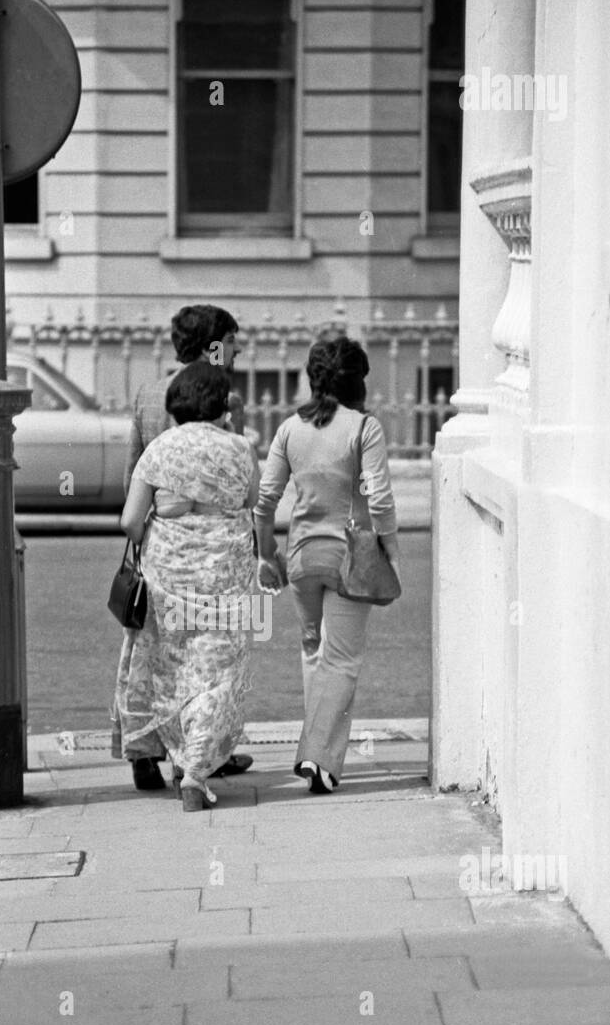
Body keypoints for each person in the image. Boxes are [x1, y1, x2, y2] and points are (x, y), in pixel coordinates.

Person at [112, 304, 253, 789]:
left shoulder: (150, 391)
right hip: (212, 556)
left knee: (149, 651)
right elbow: (242, 491)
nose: (238, 349)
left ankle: (146, 750)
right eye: (233, 340)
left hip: (160, 542)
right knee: (204, 656)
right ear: (215, 345)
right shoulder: (224, 397)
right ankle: (198, 752)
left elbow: (133, 470)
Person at [255, 335, 401, 794]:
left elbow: (264, 502)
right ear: (358, 380)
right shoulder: (364, 427)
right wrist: (391, 548)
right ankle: (317, 757)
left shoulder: (289, 429)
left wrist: (266, 554)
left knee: (314, 650)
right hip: (348, 556)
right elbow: (378, 495)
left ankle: (320, 756)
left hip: (300, 557)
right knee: (342, 661)